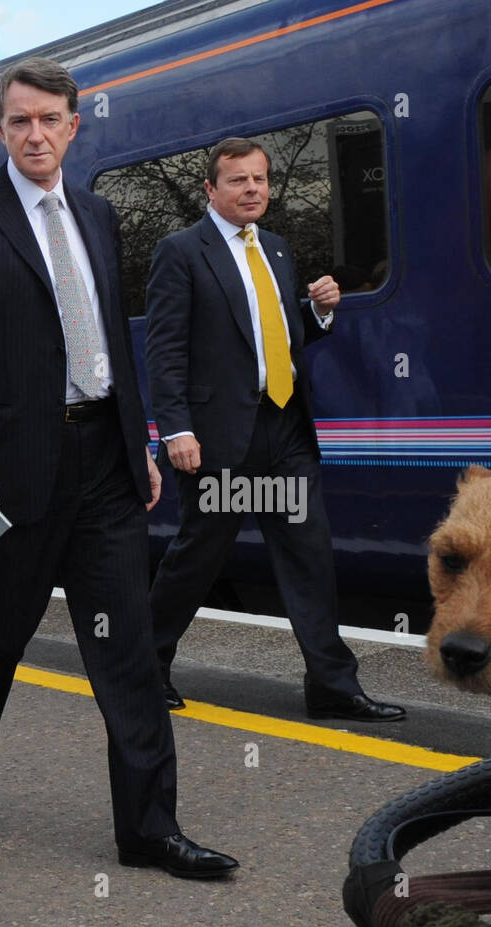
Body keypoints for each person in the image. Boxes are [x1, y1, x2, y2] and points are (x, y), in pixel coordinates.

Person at [0, 58, 236, 878]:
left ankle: (150, 828)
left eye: (49, 119)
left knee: (126, 645)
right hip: (13, 469)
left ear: (73, 125)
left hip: (104, 461)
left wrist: (141, 442)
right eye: (19, 120)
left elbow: (111, 343)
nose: (35, 134)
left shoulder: (95, 214)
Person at [146, 137, 406, 724]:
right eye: (238, 180)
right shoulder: (182, 252)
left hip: (283, 429)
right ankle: (145, 663)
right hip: (218, 437)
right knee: (200, 556)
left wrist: (317, 313)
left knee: (309, 556)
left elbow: (278, 339)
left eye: (260, 179)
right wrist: (176, 430)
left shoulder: (279, 251)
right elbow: (164, 351)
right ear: (211, 189)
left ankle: (333, 686)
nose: (253, 189)